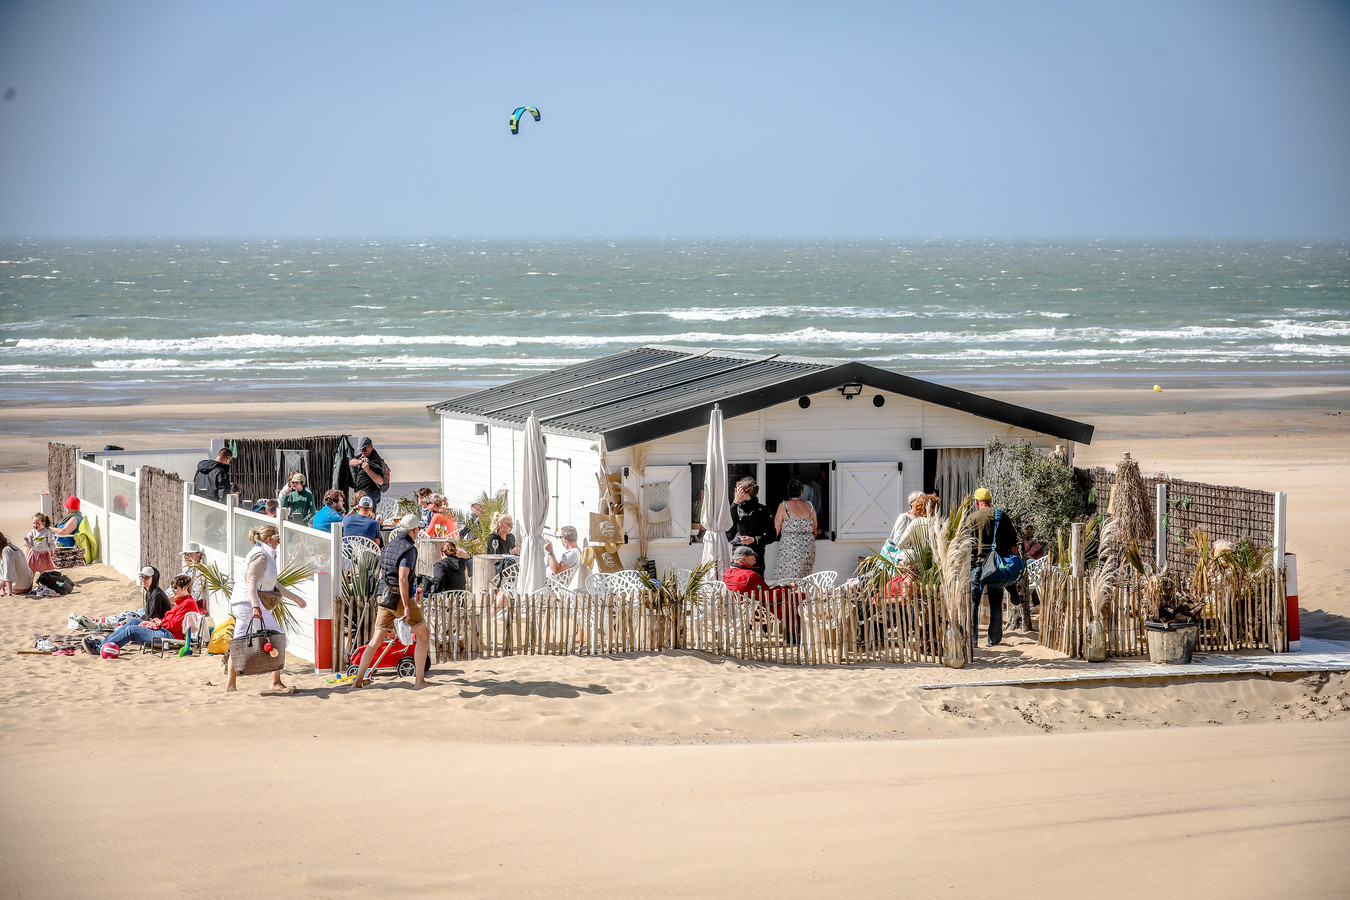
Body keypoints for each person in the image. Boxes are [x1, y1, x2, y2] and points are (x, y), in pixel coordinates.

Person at [350, 514, 430, 689]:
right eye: (418, 529)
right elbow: (402, 578)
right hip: (399, 598)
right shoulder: (409, 549)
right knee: (424, 635)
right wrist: (407, 606)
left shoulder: (388, 547)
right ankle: (419, 681)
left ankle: (357, 681)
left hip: (384, 596)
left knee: (375, 640)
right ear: (414, 530)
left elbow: (382, 574)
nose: (418, 532)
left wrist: (381, 596)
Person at [226, 525, 306, 693]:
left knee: (238, 643)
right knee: (276, 637)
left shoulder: (265, 554)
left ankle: (230, 686)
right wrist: (255, 605)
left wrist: (295, 598)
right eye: (278, 537)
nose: (280, 540)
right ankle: (275, 682)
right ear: (269, 539)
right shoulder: (261, 555)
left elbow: (274, 584)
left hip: (242, 603)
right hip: (249, 604)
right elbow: (251, 581)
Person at [86, 574, 201, 656]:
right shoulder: (182, 602)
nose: (173, 590)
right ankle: (103, 642)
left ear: (185, 588)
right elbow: (173, 621)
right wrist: (158, 622)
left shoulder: (187, 604)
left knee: (132, 630)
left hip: (171, 635)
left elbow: (176, 626)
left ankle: (99, 648)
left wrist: (161, 622)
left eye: (176, 588)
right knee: (132, 621)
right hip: (165, 630)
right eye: (172, 587)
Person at [968, 487, 1018, 648]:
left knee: (973, 604)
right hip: (997, 567)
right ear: (990, 501)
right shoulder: (1001, 516)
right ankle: (993, 640)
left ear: (977, 502)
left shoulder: (972, 518)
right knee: (996, 603)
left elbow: (965, 545)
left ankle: (973, 641)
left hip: (977, 566)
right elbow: (1013, 545)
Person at [723, 545, 801, 644]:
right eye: (752, 559)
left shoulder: (728, 573)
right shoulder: (751, 576)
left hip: (743, 609)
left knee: (791, 600)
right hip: (760, 612)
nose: (754, 562)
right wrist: (787, 588)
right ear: (743, 559)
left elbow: (758, 591)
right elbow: (769, 596)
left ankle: (793, 635)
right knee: (796, 598)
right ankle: (793, 636)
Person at [726, 477, 776, 571]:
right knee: (738, 577)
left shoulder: (762, 510)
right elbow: (729, 525)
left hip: (755, 551)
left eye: (737, 491)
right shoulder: (736, 508)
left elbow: (772, 536)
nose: (735, 493)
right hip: (738, 550)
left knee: (755, 578)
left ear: (745, 494)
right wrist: (734, 503)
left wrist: (753, 540)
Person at [773, 479, 817, 579]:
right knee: (804, 576)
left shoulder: (783, 505)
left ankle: (788, 593)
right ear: (801, 493)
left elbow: (777, 527)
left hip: (790, 546)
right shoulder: (810, 506)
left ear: (789, 492)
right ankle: (801, 593)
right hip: (808, 545)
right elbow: (815, 527)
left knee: (787, 575)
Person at [348, 437, 389, 508]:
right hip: (361, 493)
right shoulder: (363, 455)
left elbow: (380, 481)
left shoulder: (376, 460)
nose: (363, 452)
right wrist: (361, 461)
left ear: (371, 447)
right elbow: (351, 462)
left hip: (371, 493)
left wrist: (368, 470)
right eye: (361, 451)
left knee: (367, 516)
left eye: (364, 450)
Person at [178, 542, 209, 611]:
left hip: (184, 608)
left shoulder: (199, 573)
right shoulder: (184, 571)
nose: (187, 557)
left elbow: (193, 595)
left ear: (198, 555)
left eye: (191, 554)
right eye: (185, 554)